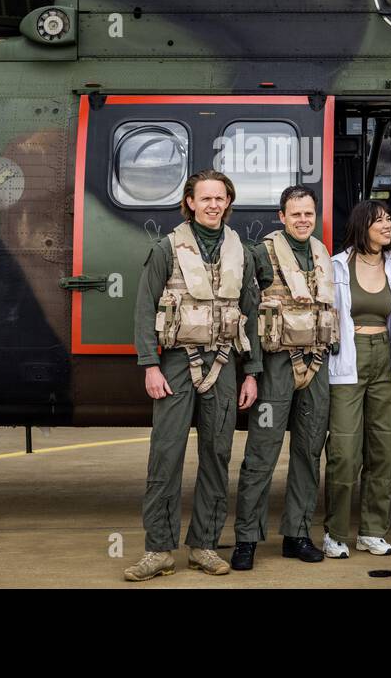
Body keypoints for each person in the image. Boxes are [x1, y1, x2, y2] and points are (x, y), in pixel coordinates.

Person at [123, 170, 261, 581]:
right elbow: (145, 308)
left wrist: (251, 373)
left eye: (220, 198)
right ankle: (158, 550)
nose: (213, 205)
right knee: (165, 455)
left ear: (228, 203)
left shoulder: (243, 252)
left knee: (217, 457)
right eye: (206, 199)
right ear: (190, 202)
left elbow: (251, 315)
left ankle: (204, 546)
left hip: (223, 364)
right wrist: (149, 364)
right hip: (177, 363)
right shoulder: (167, 248)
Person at [231, 185, 336, 570]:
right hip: (275, 369)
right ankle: (246, 539)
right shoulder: (262, 254)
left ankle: (297, 534)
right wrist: (253, 372)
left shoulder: (324, 254)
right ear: (282, 216)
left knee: (309, 454)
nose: (303, 220)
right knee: (261, 454)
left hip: (317, 365)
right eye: (296, 214)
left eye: (309, 213)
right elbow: (248, 314)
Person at [322, 199, 391, 559]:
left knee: (383, 450)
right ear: (362, 226)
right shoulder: (337, 265)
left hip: (385, 359)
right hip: (349, 359)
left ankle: (372, 530)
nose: (387, 226)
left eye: (389, 220)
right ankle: (335, 533)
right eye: (379, 221)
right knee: (343, 451)